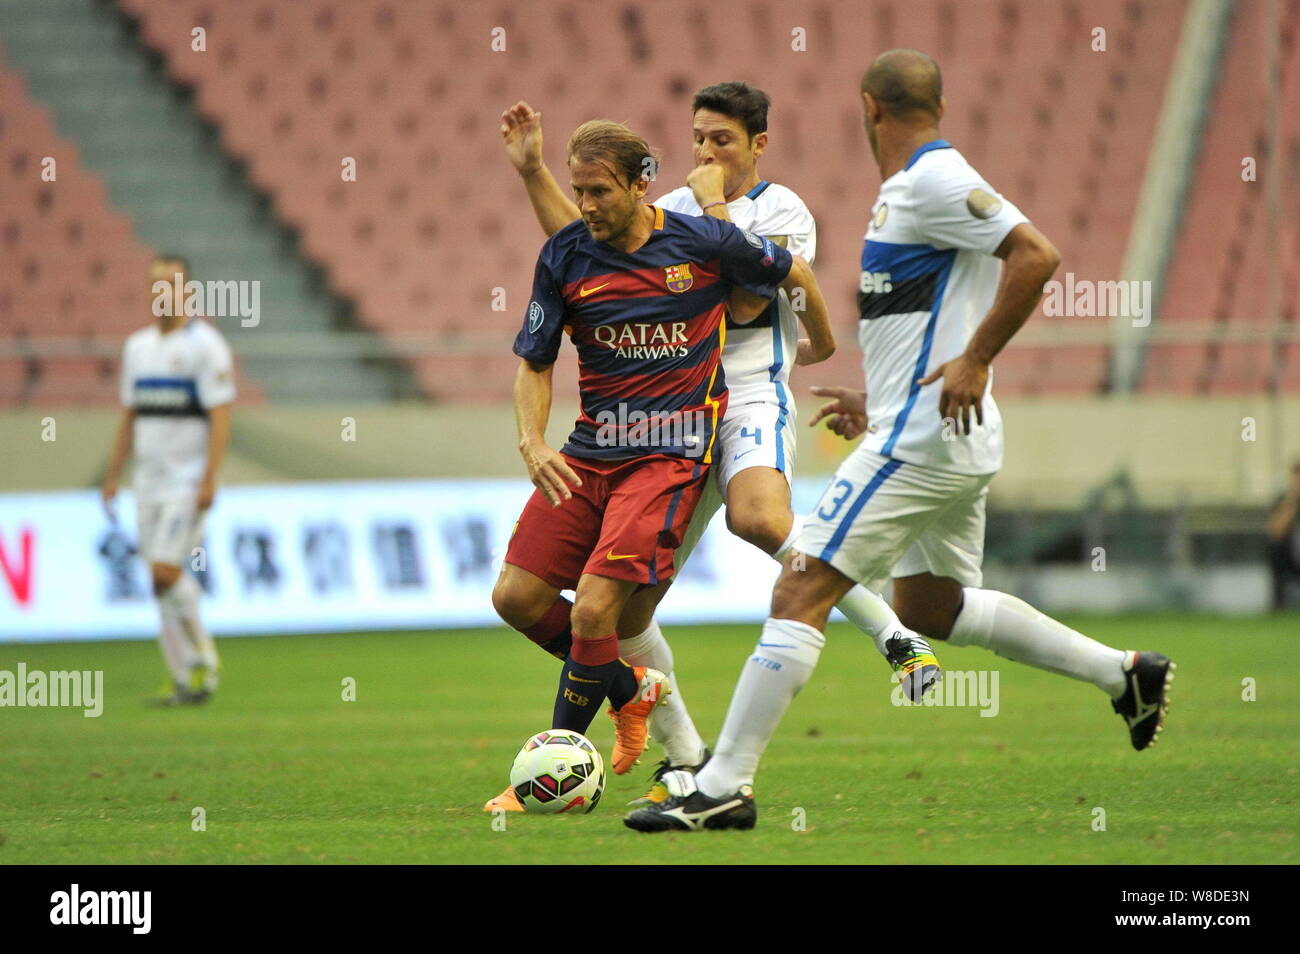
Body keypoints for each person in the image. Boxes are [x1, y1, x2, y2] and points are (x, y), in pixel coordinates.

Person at [626, 49, 1176, 833]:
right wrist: (875, 398)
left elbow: (1037, 254)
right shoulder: (906, 192)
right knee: (932, 606)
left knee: (801, 584)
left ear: (868, 108)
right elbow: (926, 323)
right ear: (936, 107)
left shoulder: (931, 181)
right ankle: (1123, 676)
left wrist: (978, 358)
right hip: (931, 429)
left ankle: (723, 784)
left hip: (923, 441)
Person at [496, 86, 943, 806]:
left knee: (759, 518)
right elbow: (587, 253)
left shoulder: (783, 211)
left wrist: (820, 339)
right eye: (699, 139)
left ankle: (893, 634)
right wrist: (534, 175)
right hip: (663, 412)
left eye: (723, 141)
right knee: (628, 615)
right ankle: (685, 756)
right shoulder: (662, 205)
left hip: (745, 393)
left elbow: (746, 298)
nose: (707, 153)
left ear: (758, 144)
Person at [102, 253, 234, 705]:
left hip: (186, 482)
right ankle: (183, 678)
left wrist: (210, 478)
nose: (163, 292)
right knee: (156, 582)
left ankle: (205, 660)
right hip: (148, 483)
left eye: (172, 284)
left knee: (164, 571)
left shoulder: (205, 347)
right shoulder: (137, 347)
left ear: (188, 293)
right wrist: (113, 475)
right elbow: (130, 416)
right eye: (155, 284)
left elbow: (220, 416)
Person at [1268, 461, 1300, 610]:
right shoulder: (1285, 500)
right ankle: (1278, 606)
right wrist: (1292, 500)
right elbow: (1276, 530)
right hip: (1292, 555)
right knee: (1276, 549)